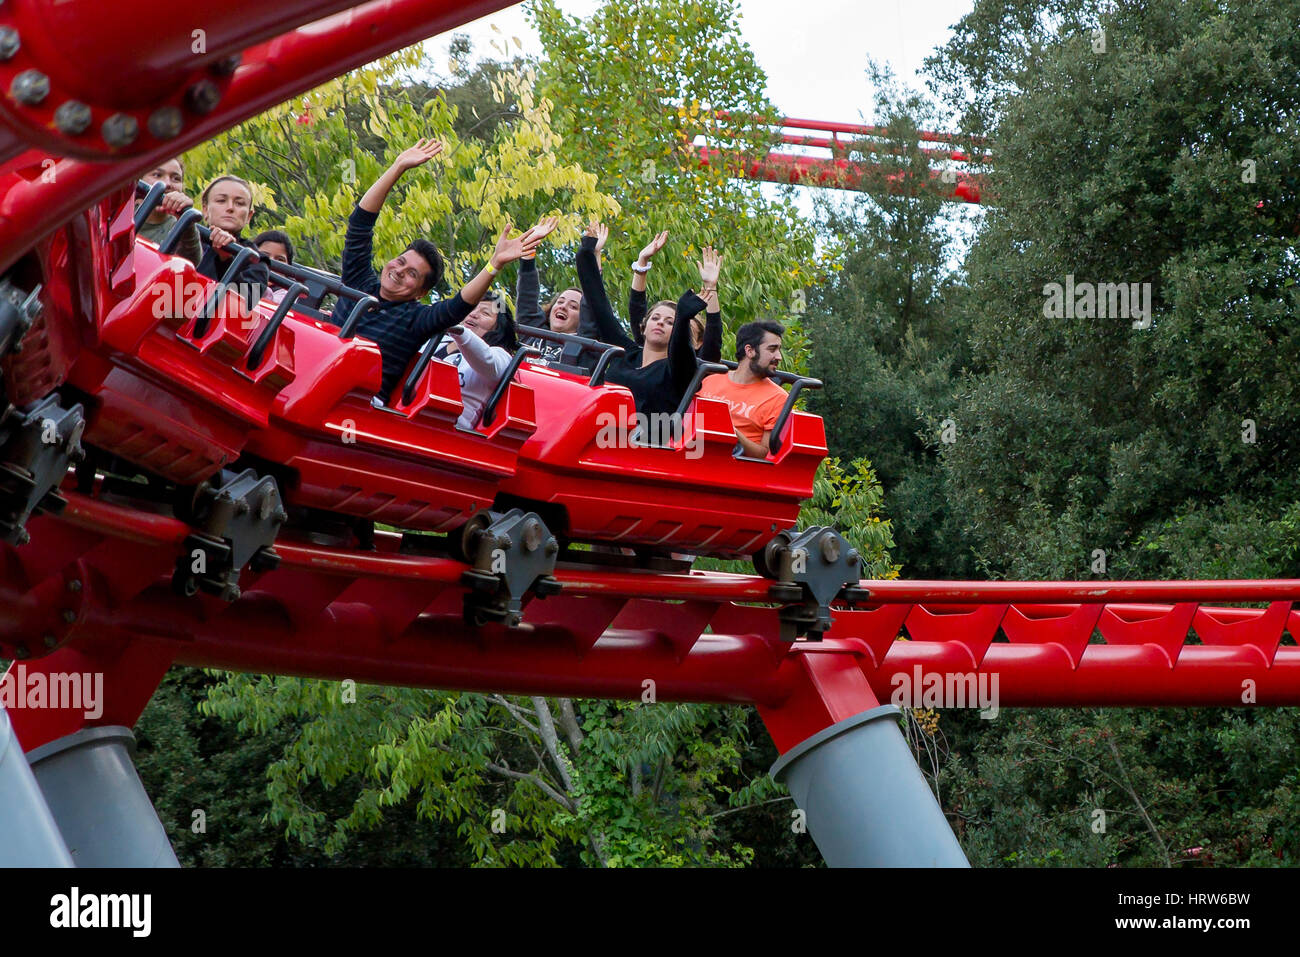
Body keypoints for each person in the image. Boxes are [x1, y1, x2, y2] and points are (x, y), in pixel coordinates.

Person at [341, 138, 553, 401]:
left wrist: (494, 263)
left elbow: (459, 305)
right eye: (401, 261)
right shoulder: (358, 282)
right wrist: (397, 167)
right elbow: (360, 225)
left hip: (357, 401)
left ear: (421, 292)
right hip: (318, 370)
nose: (399, 270)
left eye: (412, 274)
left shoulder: (417, 321)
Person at [577, 221, 710, 417]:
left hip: (644, 440)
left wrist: (683, 318)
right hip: (597, 426)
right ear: (644, 327)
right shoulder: (626, 353)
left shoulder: (678, 369)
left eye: (670, 322)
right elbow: (599, 305)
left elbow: (682, 350)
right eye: (655, 318)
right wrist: (587, 251)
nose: (661, 323)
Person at [627, 231, 723, 362]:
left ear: (699, 342)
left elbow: (713, 337)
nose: (679, 333)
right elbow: (637, 310)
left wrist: (711, 287)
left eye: (672, 324)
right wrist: (642, 263)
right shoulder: (646, 349)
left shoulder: (691, 369)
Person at [698, 320, 789, 458]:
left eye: (779, 350)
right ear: (750, 351)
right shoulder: (709, 381)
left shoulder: (778, 398)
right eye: (772, 349)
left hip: (736, 467)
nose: (779, 357)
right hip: (696, 454)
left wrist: (731, 432)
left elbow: (764, 454)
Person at [432, 292, 517, 428]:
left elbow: (488, 362)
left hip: (453, 428)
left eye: (485, 313)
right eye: (471, 308)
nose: (473, 314)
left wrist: (460, 331)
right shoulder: (439, 339)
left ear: (498, 327)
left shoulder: (501, 356)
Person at [197, 174, 270, 311]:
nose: (230, 207)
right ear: (205, 210)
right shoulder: (185, 234)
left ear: (249, 216)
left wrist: (226, 260)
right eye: (221, 201)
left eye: (239, 203)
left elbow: (243, 306)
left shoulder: (256, 260)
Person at [136, 158, 202, 266]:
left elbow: (189, 262)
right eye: (157, 175)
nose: (167, 184)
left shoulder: (181, 228)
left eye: (176, 179)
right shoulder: (121, 213)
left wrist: (186, 221)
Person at [253, 229, 294, 304]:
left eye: (280, 260)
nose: (271, 264)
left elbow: (273, 304)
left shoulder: (289, 295)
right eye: (264, 255)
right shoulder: (239, 274)